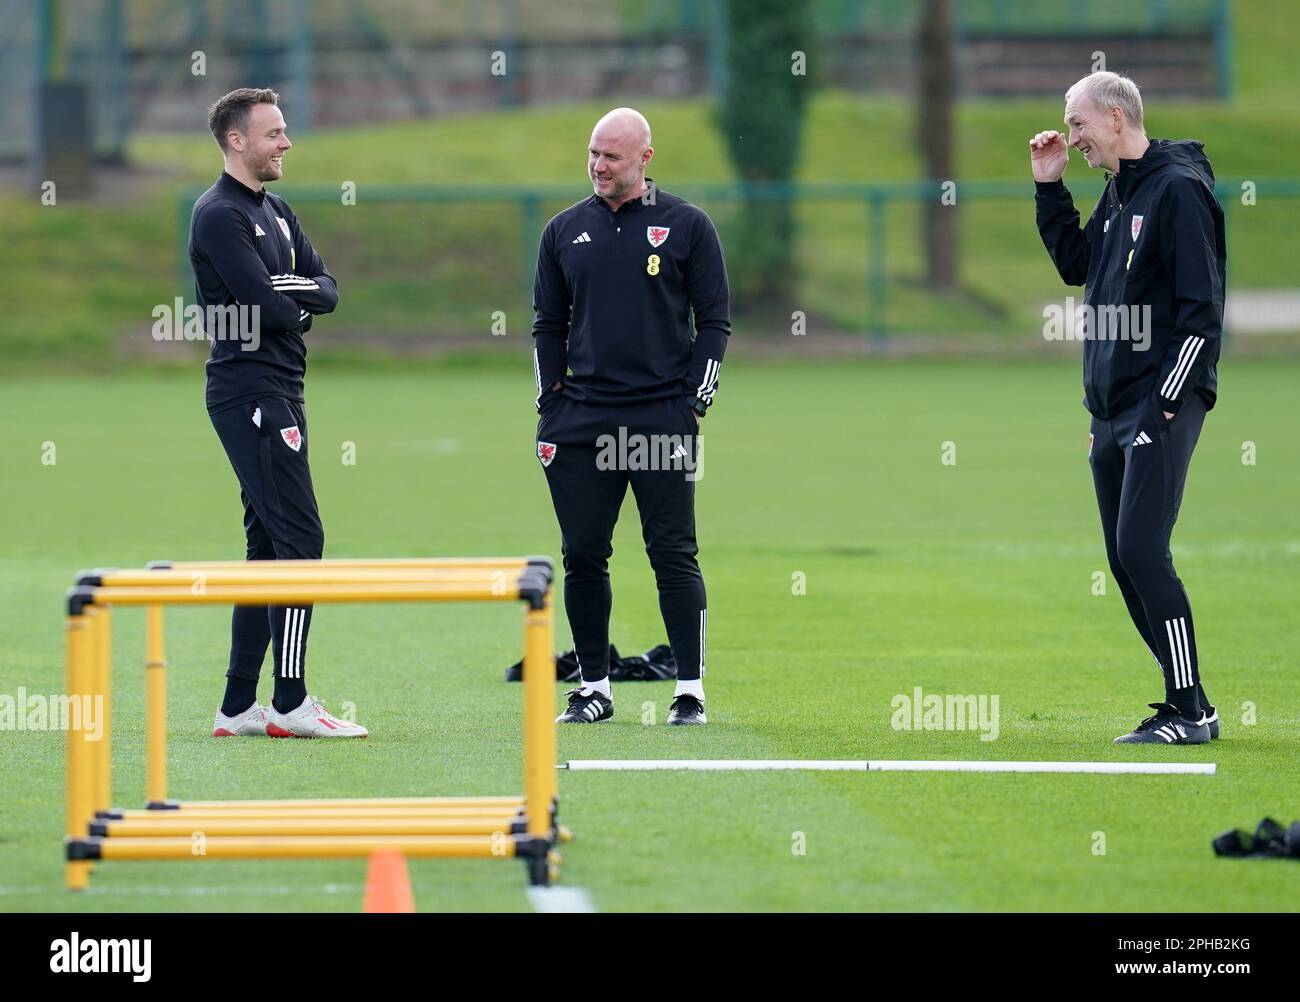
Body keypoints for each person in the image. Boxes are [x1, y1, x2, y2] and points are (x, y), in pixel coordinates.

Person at [1030, 71, 1225, 744]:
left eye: (1078, 124)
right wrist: (1049, 186)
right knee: (1124, 558)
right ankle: (1190, 700)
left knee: (1143, 550)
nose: (1073, 136)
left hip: (1159, 401)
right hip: (1111, 409)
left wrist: (1165, 404)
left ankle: (1189, 710)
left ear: (1116, 118)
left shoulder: (1179, 190)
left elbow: (1202, 316)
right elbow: (1077, 265)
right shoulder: (1120, 192)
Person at [531, 107, 730, 726]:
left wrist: (694, 401)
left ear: (645, 159)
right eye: (593, 153)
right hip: (580, 423)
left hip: (659, 420)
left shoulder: (688, 226)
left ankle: (689, 691)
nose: (598, 166)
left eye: (611, 156)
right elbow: (547, 325)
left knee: (672, 553)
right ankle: (595, 688)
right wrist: (550, 403)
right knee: (583, 555)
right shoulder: (563, 231)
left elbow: (715, 323)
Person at [190, 87, 365, 738]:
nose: (286, 143)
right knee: (301, 539)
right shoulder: (217, 214)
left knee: (266, 546)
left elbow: (329, 290)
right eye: (274, 134)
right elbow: (269, 303)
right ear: (238, 141)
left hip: (283, 388)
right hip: (249, 391)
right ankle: (289, 702)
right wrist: (291, 299)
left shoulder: (281, 211)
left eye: (285, 131)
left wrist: (288, 296)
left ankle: (237, 707)